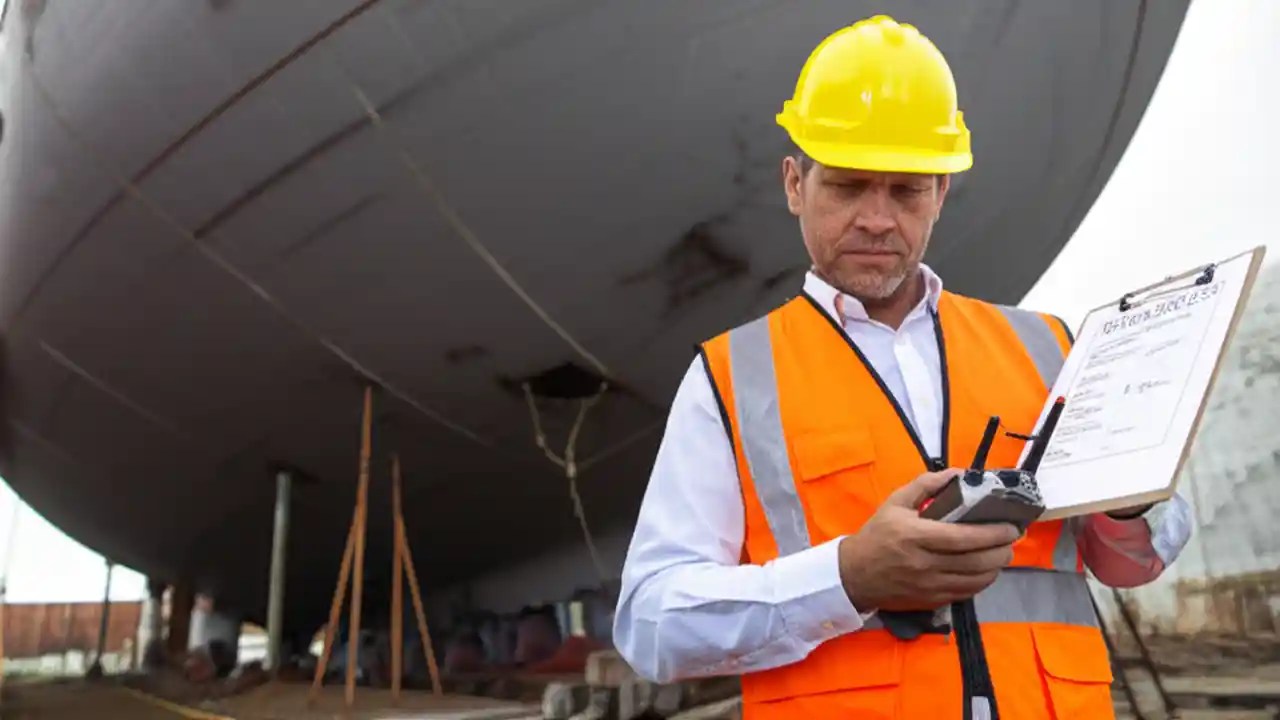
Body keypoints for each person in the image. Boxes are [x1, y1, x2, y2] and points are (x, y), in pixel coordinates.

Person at [612, 15, 1193, 720]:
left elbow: (1133, 563)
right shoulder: (730, 379)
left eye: (907, 190)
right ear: (795, 184)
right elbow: (652, 624)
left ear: (941, 194)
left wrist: (1129, 504)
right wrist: (847, 577)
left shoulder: (1048, 348)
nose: (877, 220)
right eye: (849, 186)